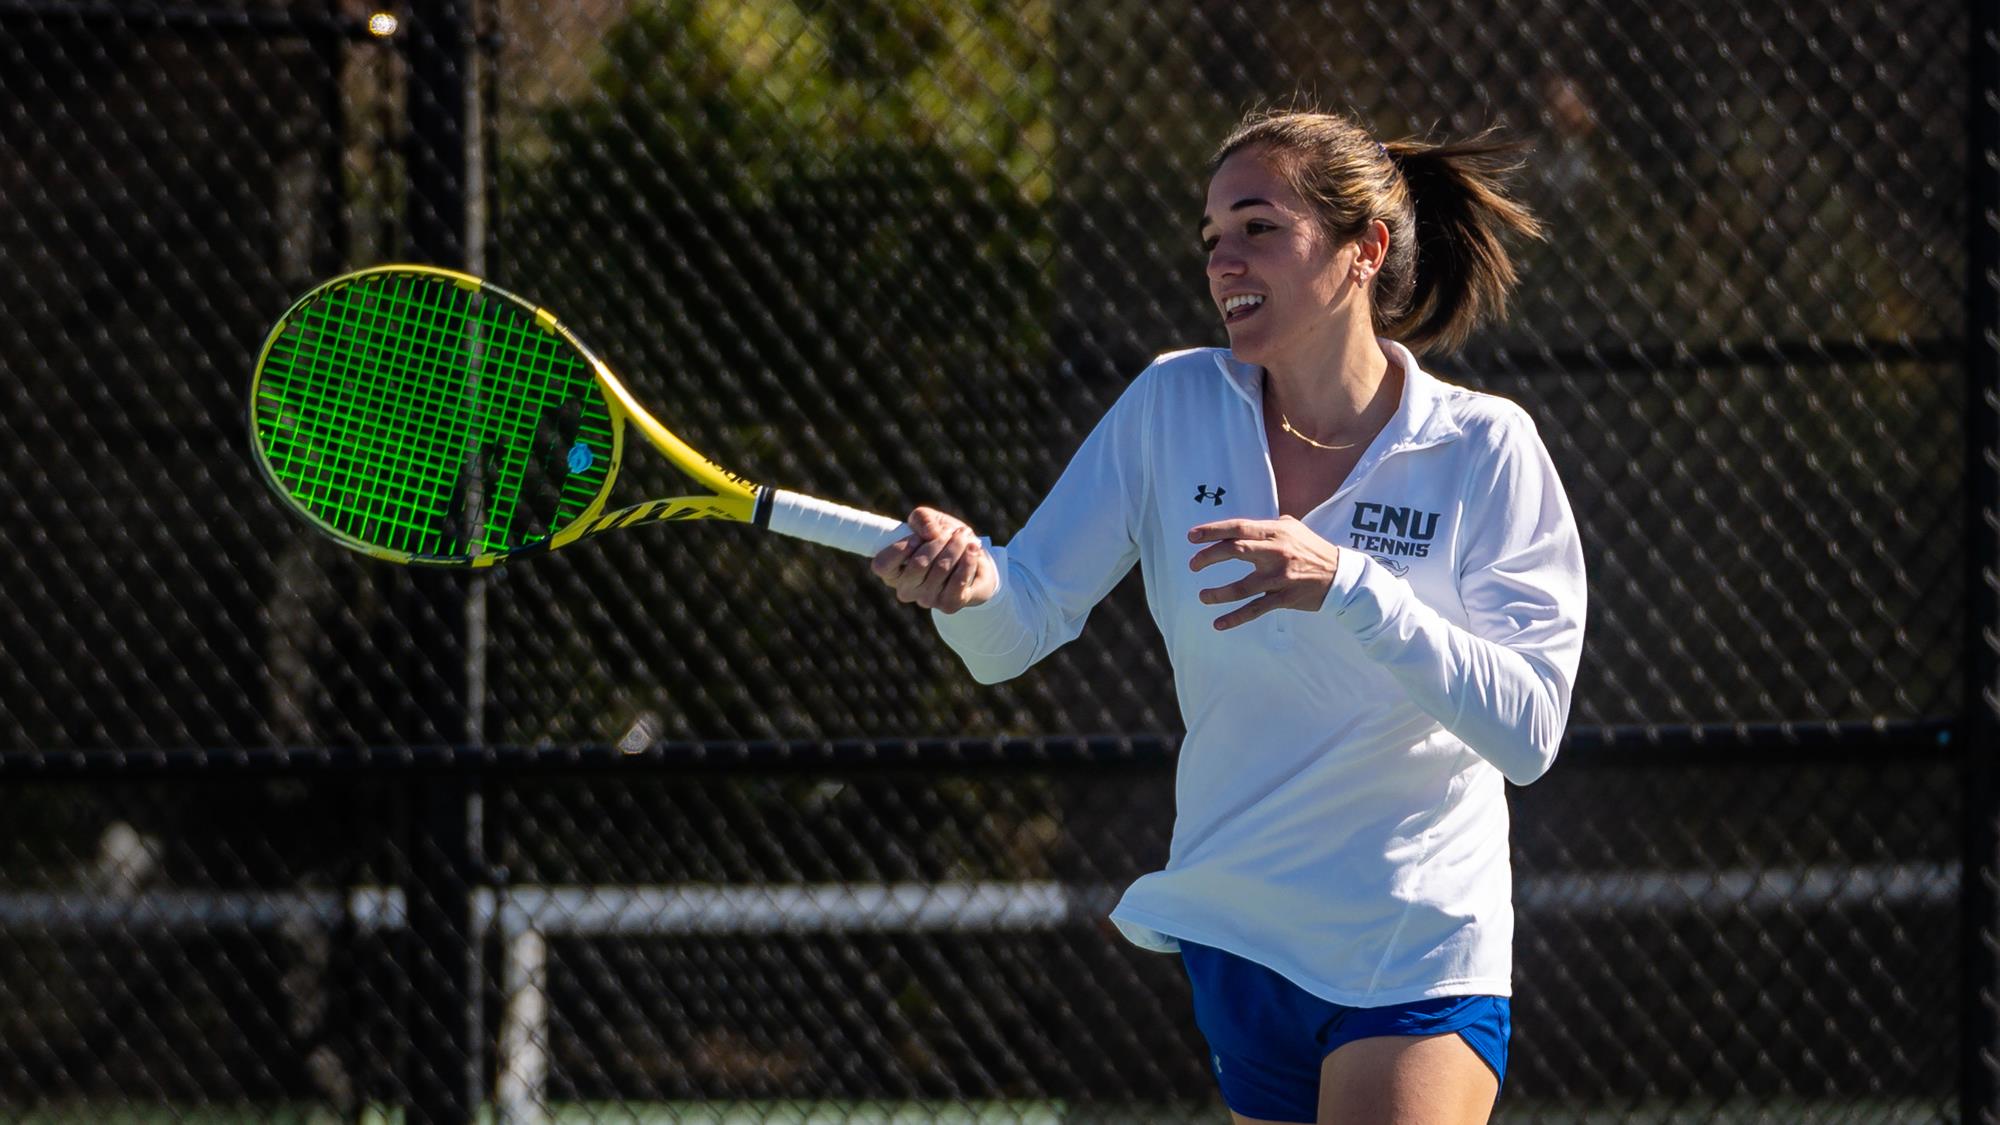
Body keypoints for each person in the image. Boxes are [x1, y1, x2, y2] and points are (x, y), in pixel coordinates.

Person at [871, 109, 1586, 1125]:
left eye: (1256, 227)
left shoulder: (1483, 449)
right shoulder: (1169, 407)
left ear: (1361, 249)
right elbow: (1019, 623)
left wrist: (1349, 584)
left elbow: (1526, 733)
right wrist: (967, 591)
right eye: (1210, 237)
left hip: (1413, 938)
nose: (1221, 260)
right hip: (1237, 935)